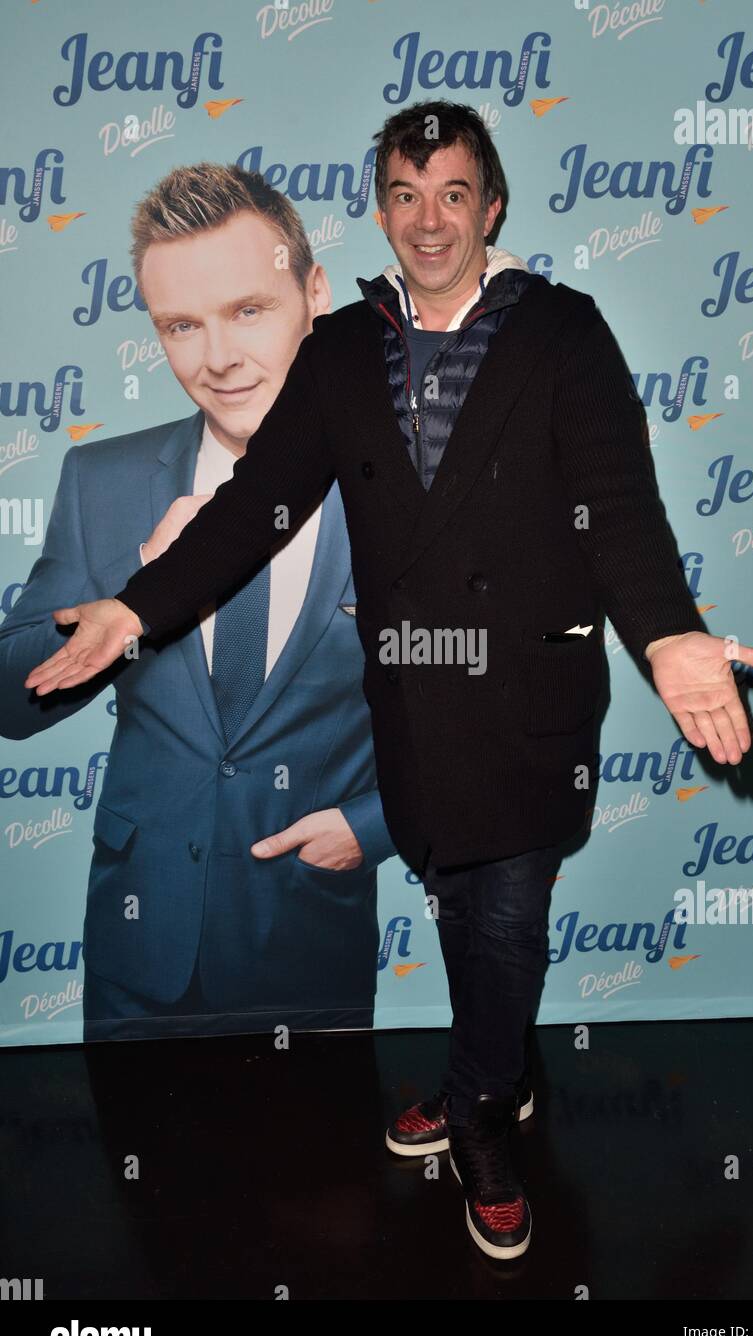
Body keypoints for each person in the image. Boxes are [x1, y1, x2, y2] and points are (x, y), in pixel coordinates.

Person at [24, 103, 753, 1258]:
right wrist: (137, 603)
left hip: (528, 701)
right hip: (417, 707)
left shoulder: (562, 332)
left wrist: (668, 638)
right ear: (381, 210)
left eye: (453, 194)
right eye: (405, 195)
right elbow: (256, 511)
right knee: (466, 911)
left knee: (509, 916)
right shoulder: (341, 348)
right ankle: (503, 1062)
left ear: (492, 207)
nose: (429, 220)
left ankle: (479, 1121)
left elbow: (617, 509)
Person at [2, 163, 394, 1040]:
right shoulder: (101, 482)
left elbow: (477, 701)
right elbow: (10, 702)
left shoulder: (400, 486)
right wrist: (134, 584)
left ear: (316, 295)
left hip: (312, 953)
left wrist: (371, 829)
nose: (218, 358)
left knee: (328, 1180)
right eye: (182, 325)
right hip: (141, 959)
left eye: (248, 310)